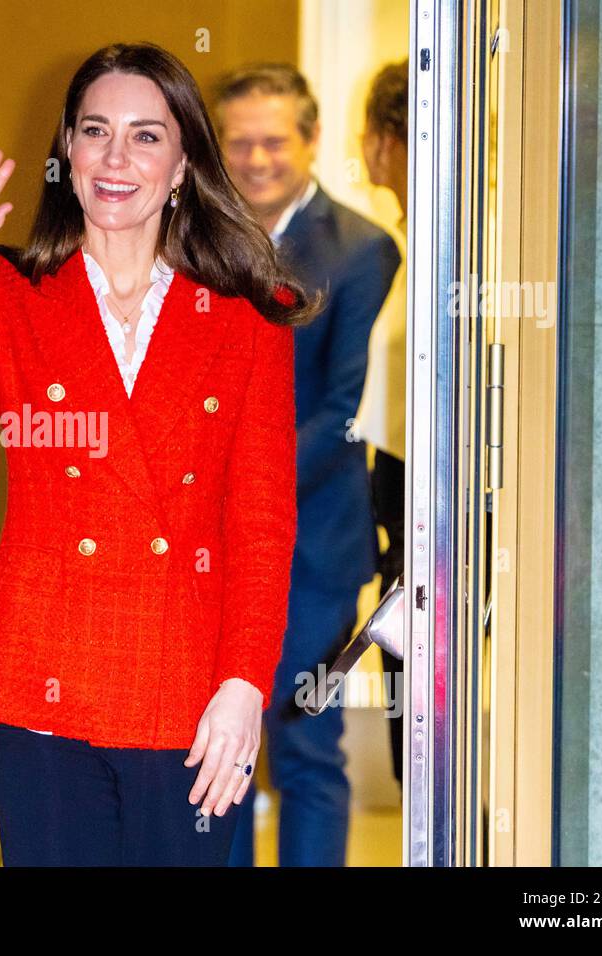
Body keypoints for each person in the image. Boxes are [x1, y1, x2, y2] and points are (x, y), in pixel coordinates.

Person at [0, 41, 316, 866]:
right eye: (95, 131)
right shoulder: (6, 295)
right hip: (44, 682)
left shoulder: (249, 314)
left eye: (147, 136)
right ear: (65, 152)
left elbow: (261, 522)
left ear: (183, 164)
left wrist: (244, 685)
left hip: (186, 688)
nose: (116, 157)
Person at [213, 64, 401, 867]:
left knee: (303, 748)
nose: (255, 160)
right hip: (201, 543)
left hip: (310, 547)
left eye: (273, 141)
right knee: (208, 751)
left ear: (312, 140)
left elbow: (344, 409)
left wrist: (239, 491)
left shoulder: (362, 251)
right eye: (239, 143)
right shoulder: (193, 238)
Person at [356, 59, 409, 785]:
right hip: (394, 489)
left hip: (433, 494)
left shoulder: (456, 240)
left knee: (424, 724)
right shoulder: (403, 239)